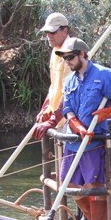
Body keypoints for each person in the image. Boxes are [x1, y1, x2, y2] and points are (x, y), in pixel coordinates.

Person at [57, 36, 111, 220]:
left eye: (71, 57)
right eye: (65, 58)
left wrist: (108, 111)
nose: (68, 62)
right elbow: (67, 109)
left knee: (94, 185)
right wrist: (78, 126)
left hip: (95, 141)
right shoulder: (70, 80)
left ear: (83, 54)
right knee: (69, 183)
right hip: (74, 141)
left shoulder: (103, 75)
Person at [31, 12, 71, 140]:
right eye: (47, 32)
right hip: (59, 119)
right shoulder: (55, 51)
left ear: (65, 31)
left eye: (52, 32)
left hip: (70, 120)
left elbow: (69, 93)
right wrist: (46, 109)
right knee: (61, 157)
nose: (48, 36)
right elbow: (54, 86)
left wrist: (52, 121)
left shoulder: (71, 53)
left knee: (70, 158)